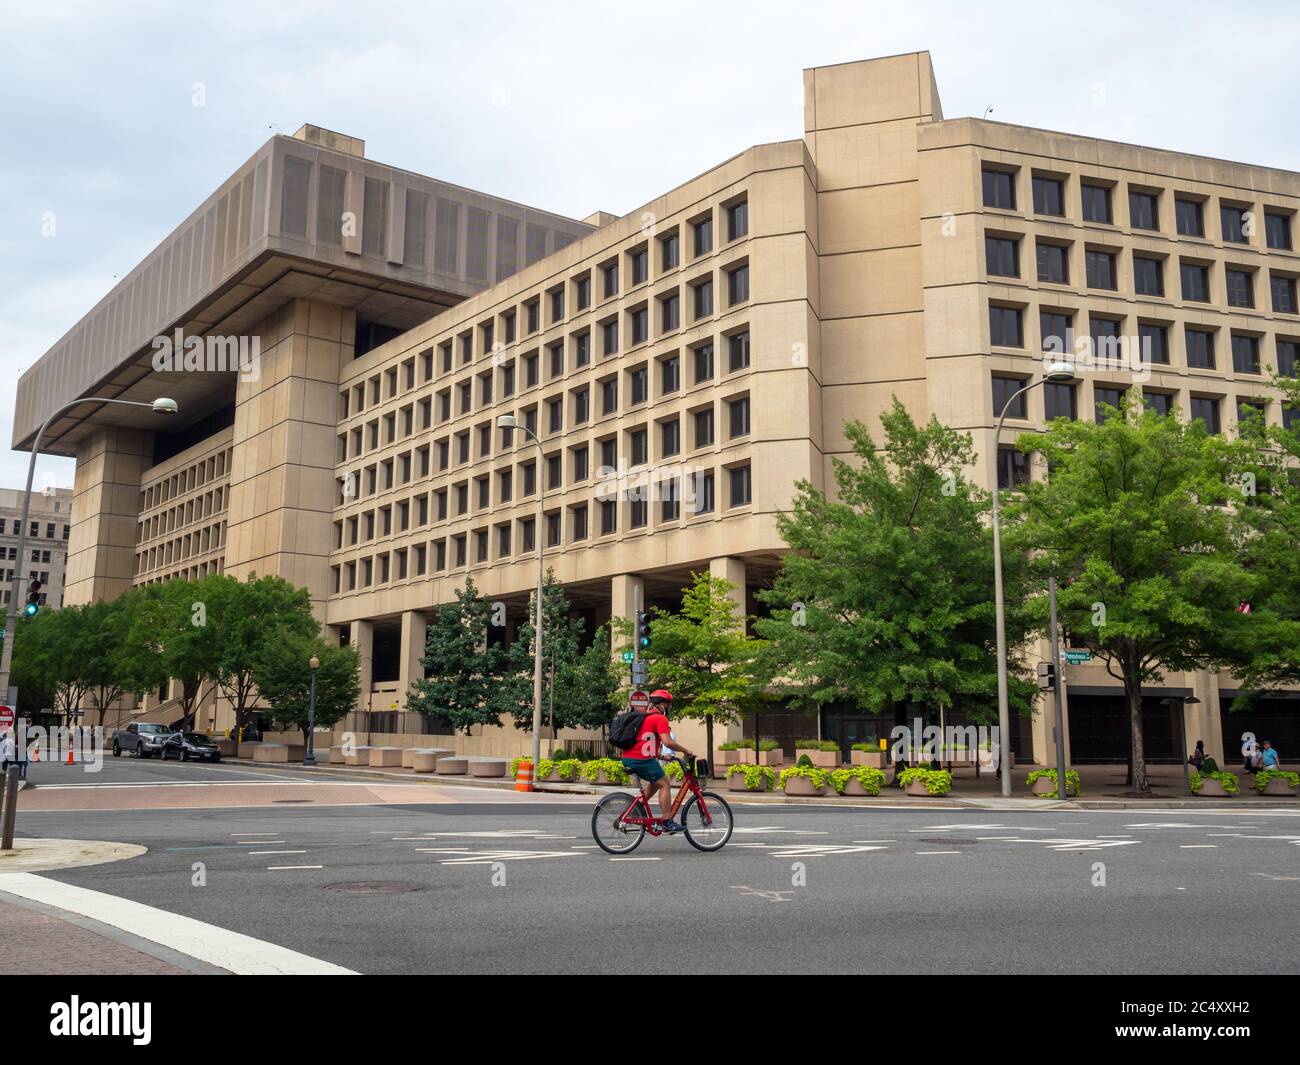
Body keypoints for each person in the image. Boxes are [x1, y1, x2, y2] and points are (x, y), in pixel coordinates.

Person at [618, 689, 695, 835]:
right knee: (664, 783)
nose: (669, 708)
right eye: (668, 704)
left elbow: (645, 742)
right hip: (641, 759)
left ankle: (634, 810)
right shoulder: (660, 719)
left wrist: (660, 756)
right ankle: (667, 822)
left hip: (630, 757)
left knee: (656, 783)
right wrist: (685, 751)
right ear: (663, 704)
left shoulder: (644, 717)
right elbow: (668, 741)